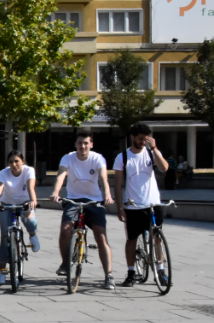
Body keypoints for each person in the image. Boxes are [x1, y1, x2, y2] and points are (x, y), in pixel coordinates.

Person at [50, 129, 116, 288]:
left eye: (86, 143)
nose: (83, 146)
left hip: (94, 201)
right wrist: (55, 192)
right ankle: (66, 264)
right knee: (66, 229)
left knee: (101, 236)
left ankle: (109, 275)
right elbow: (61, 176)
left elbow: (103, 179)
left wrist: (107, 195)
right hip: (73, 200)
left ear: (91, 144)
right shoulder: (68, 158)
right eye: (80, 143)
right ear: (75, 144)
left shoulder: (98, 158)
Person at [113, 123, 169, 287]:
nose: (143, 142)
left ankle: (160, 270)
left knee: (156, 237)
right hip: (133, 205)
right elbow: (117, 184)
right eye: (140, 139)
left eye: (146, 139)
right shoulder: (122, 157)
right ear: (132, 137)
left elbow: (164, 168)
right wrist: (120, 207)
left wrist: (155, 149)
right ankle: (131, 272)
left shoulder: (151, 153)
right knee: (131, 239)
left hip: (152, 202)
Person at [0, 150, 41, 285]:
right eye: (11, 162)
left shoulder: (29, 171)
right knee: (5, 237)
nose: (14, 164)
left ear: (22, 161)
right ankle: (2, 270)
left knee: (29, 218)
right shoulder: (4, 173)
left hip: (25, 202)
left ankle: (33, 234)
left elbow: (30, 186)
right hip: (7, 203)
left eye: (17, 161)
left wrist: (33, 200)